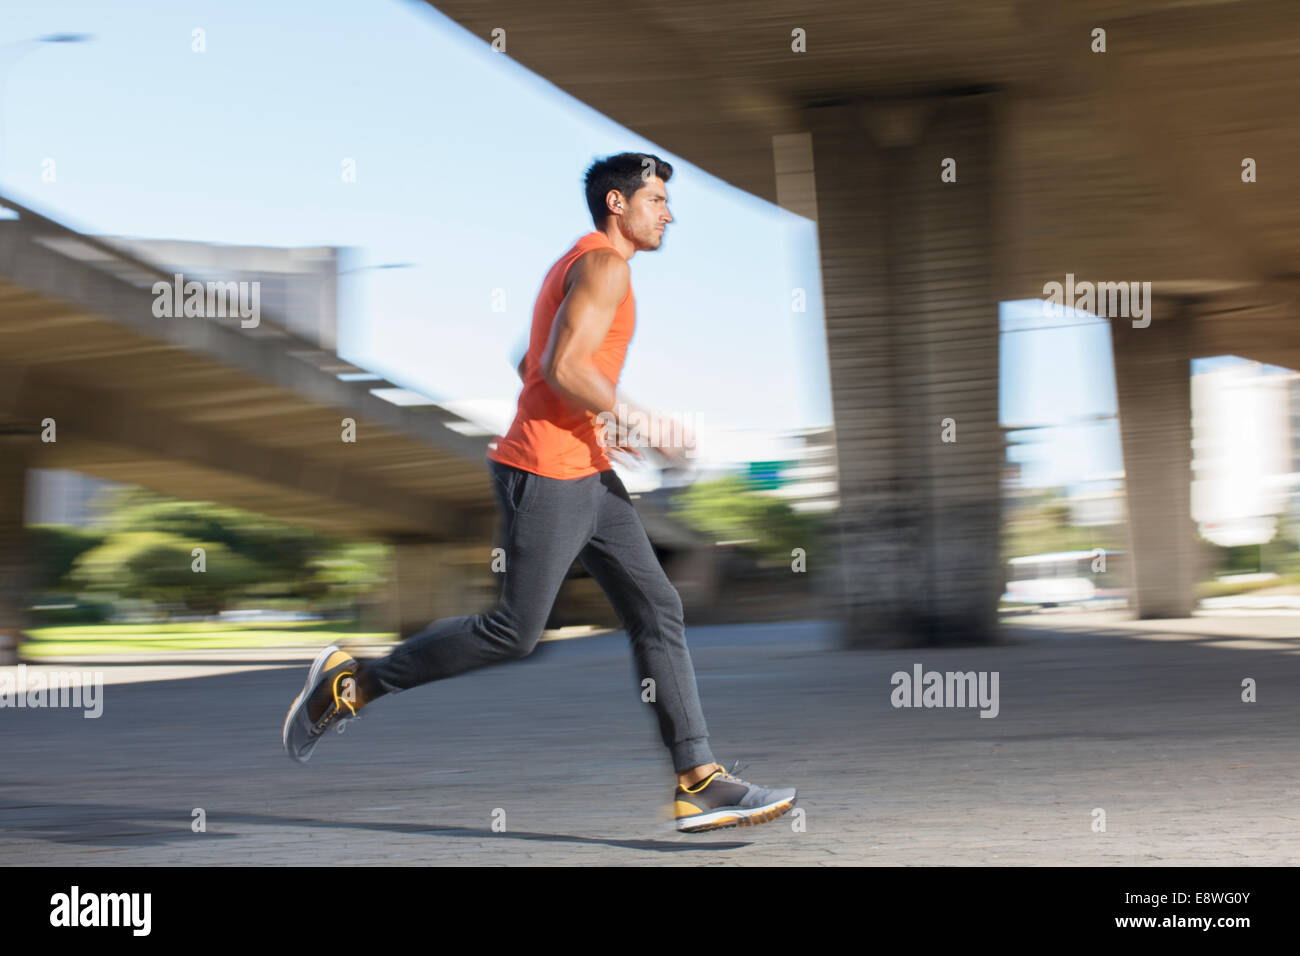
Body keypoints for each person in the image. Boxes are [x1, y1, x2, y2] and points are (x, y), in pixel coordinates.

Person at [283, 152, 796, 833]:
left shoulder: (580, 263)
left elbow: (532, 361)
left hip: (584, 469)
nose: (668, 213)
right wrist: (634, 418)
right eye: (657, 200)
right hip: (549, 472)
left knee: (657, 606)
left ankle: (698, 779)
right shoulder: (604, 266)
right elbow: (561, 366)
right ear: (618, 204)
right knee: (513, 632)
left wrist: (593, 416)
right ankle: (354, 684)